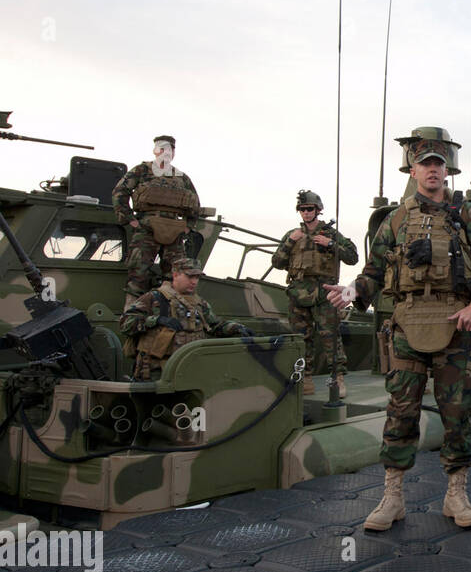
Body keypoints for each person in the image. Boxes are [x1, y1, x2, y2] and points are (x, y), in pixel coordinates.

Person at [325, 126, 471, 532]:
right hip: (406, 322)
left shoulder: (467, 215)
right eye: (425, 163)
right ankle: (392, 497)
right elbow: (373, 269)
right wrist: (353, 290)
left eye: (439, 163)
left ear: (448, 169)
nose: (433, 170)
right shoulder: (395, 220)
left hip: (455, 322)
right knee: (400, 410)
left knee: (458, 410)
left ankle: (456, 493)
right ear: (413, 170)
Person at [270, 190, 359, 397]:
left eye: (309, 209)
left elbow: (353, 257)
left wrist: (331, 244)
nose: (306, 212)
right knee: (301, 338)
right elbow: (277, 263)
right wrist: (290, 242)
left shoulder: (330, 234)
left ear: (318, 210)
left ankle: (338, 379)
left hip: (324, 292)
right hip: (298, 293)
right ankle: (305, 379)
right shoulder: (292, 235)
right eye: (302, 209)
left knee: (330, 337)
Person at [119, 257, 251, 380]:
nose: (194, 281)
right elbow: (125, 323)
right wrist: (156, 320)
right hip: (156, 372)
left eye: (197, 277)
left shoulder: (199, 303)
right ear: (175, 274)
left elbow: (214, 325)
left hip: (189, 370)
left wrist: (236, 327)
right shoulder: (155, 298)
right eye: (189, 276)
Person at [113, 135, 201, 307]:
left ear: (173, 152)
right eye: (162, 148)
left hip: (174, 231)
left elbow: (195, 204)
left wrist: (188, 227)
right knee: (138, 274)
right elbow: (119, 193)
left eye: (169, 149)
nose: (166, 152)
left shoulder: (181, 177)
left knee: (176, 275)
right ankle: (132, 314)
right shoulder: (141, 171)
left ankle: (171, 312)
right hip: (147, 228)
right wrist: (130, 219)